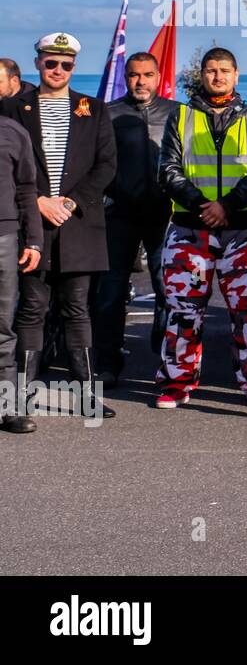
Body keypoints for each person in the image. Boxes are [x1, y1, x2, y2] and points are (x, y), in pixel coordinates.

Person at [0, 33, 118, 421]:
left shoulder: (93, 108)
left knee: (78, 310)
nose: (57, 70)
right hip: (32, 224)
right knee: (32, 308)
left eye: (65, 64)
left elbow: (106, 165)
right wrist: (38, 202)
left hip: (78, 223)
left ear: (74, 67)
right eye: (51, 63)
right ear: (37, 63)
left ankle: (87, 395)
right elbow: (9, 169)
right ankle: (18, 399)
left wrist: (69, 202)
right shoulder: (13, 108)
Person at [155, 47, 247, 408]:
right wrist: (202, 206)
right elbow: (167, 170)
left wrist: (227, 206)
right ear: (202, 75)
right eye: (211, 70)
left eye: (225, 70)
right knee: (182, 311)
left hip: (243, 231)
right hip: (190, 231)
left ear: (237, 75)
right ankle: (177, 382)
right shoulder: (180, 117)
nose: (218, 76)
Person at [92, 53, 178, 388]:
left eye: (146, 75)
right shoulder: (109, 113)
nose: (140, 81)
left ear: (158, 76)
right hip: (119, 216)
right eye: (133, 75)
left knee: (167, 290)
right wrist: (104, 201)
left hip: (163, 215)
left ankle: (165, 357)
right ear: (125, 77)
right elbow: (95, 163)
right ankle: (107, 363)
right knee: (110, 293)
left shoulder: (175, 112)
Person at [0, 104, 43, 433]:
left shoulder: (14, 132)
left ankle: (6, 409)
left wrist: (34, 241)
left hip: (5, 237)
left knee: (2, 328)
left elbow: (28, 189)